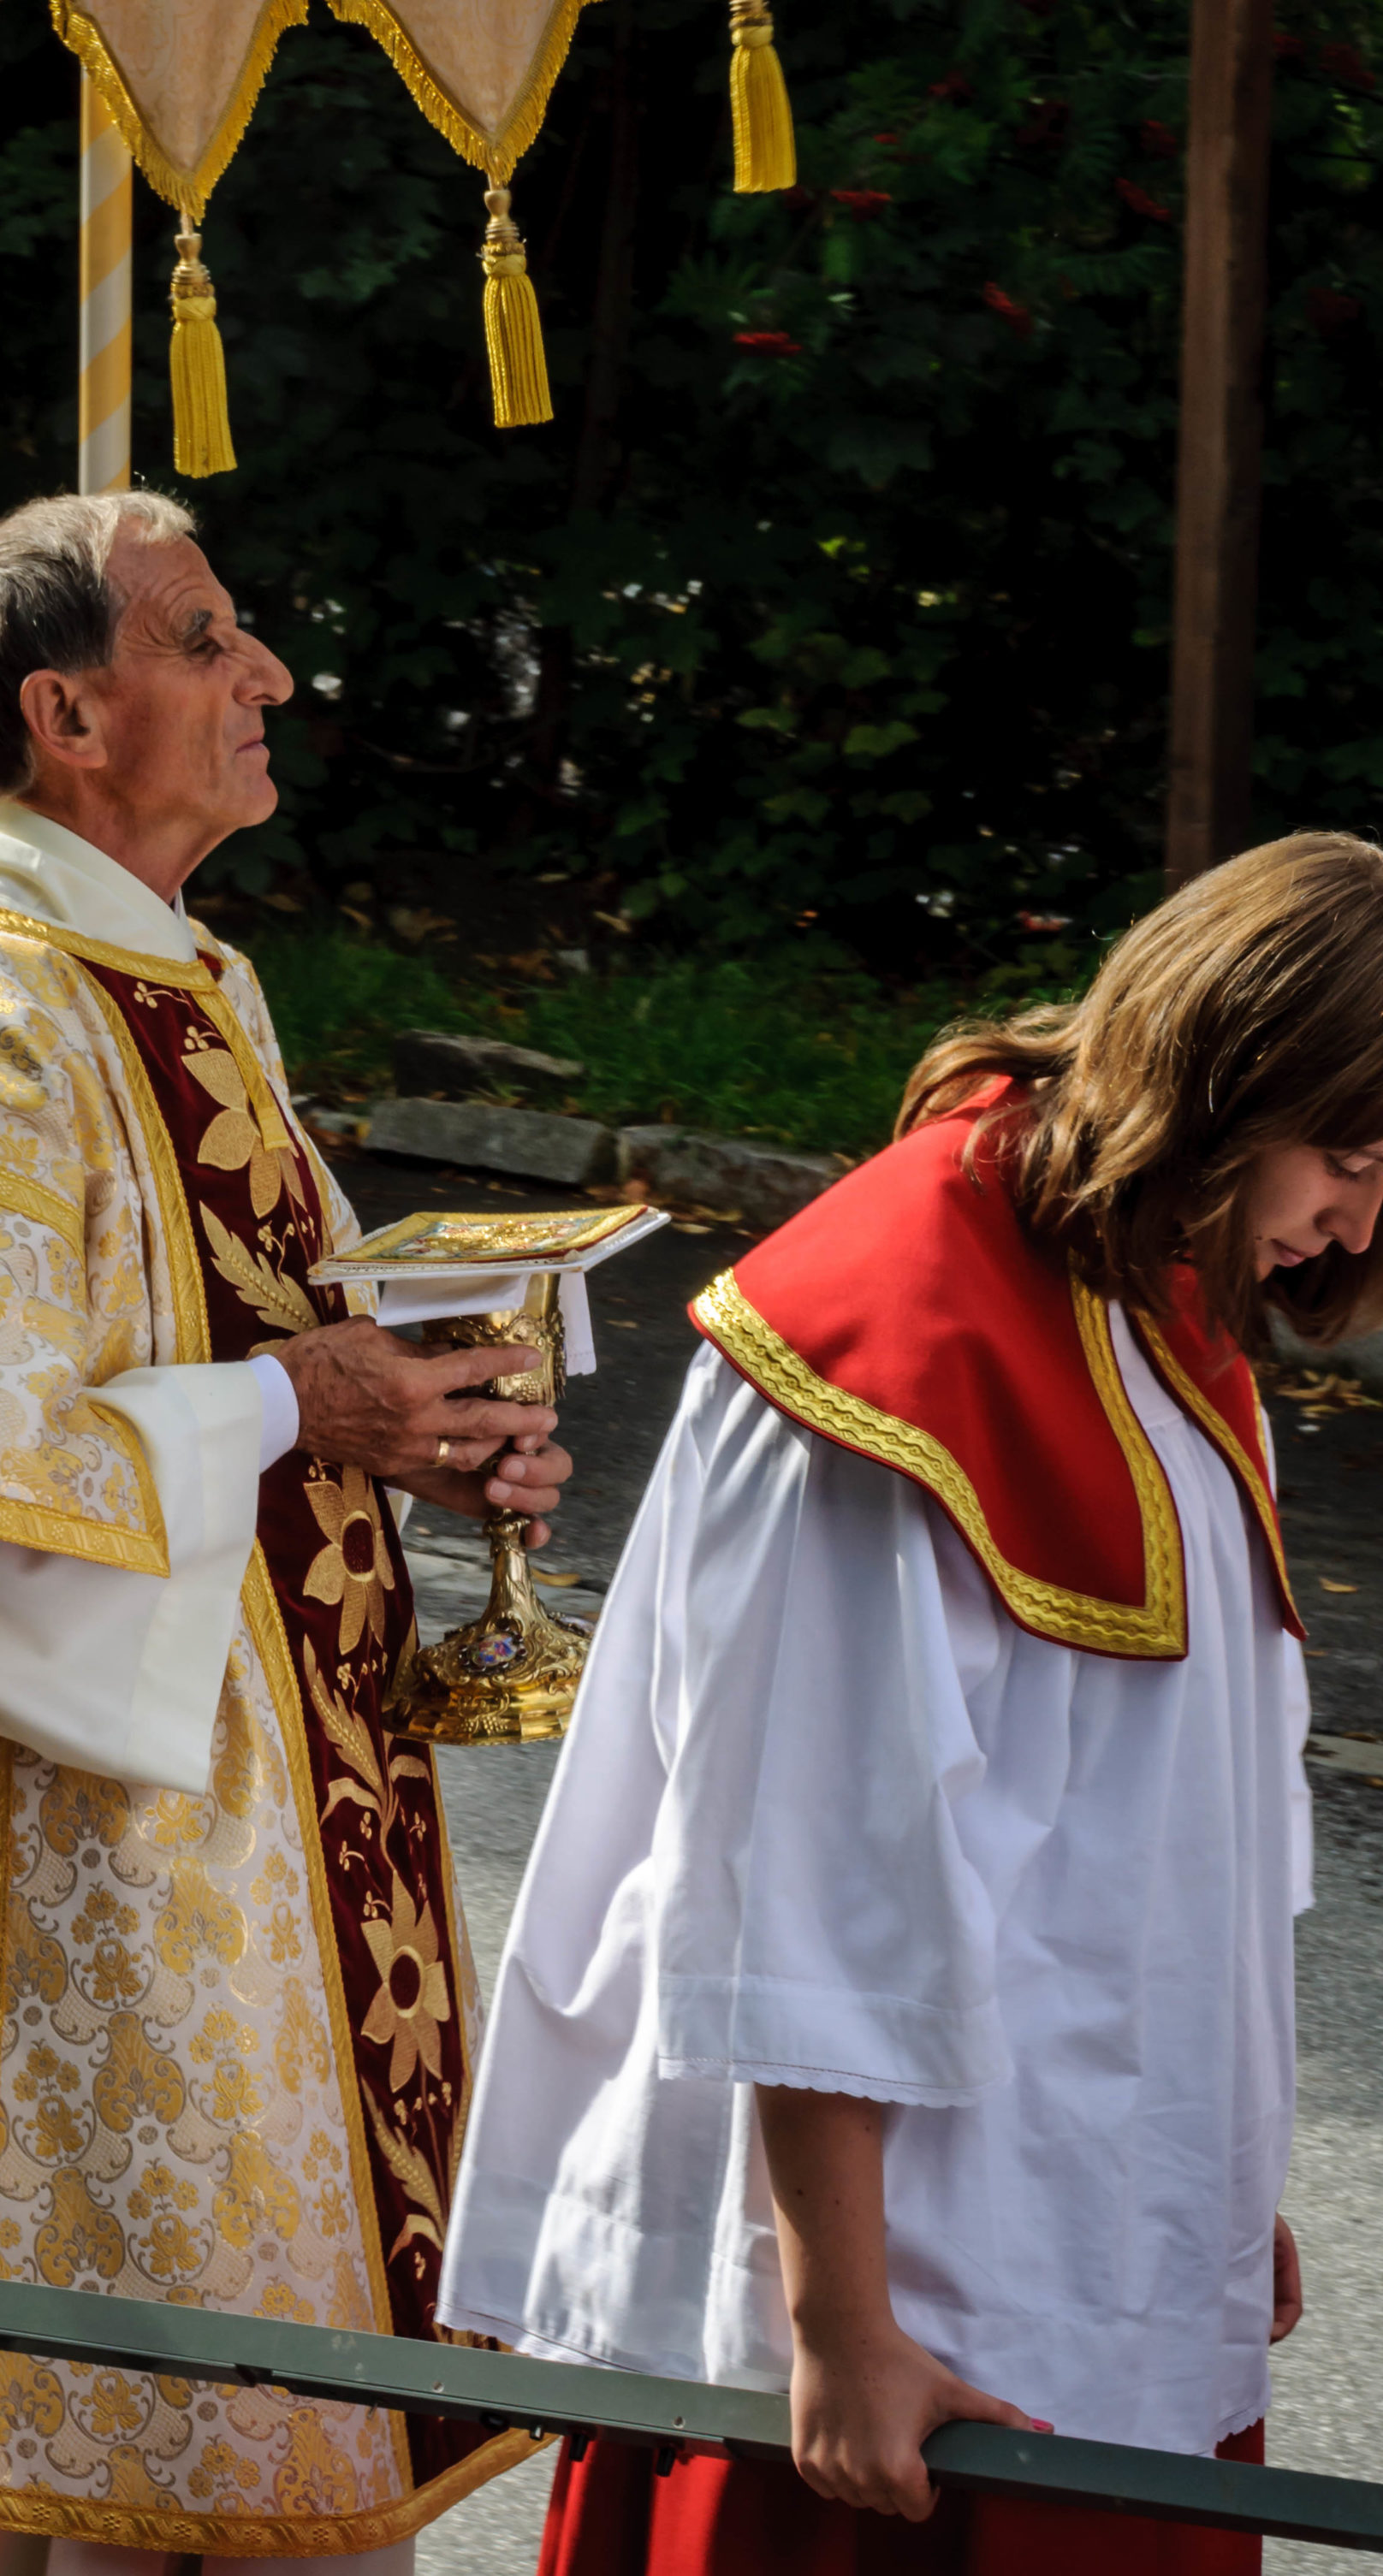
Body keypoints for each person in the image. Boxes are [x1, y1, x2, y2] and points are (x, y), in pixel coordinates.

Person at [0, 488, 574, 2573]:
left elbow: (266, 1331)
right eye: (206, 639)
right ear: (67, 717)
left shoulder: (183, 974)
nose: (270, 676)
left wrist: (417, 1429)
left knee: (234, 2439)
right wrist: (301, 1406)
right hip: (117, 1841)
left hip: (277, 1817)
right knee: (135, 2454)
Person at [435, 835, 1377, 2574]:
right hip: (912, 2324)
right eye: (1353, 1156)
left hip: (1093, 2244)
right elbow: (802, 1879)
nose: (1361, 1223)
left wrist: (1209, 2180)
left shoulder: (1151, 1294)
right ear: (1236, 1074)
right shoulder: (899, 1344)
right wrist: (840, 2326)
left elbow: (1188, 1830)